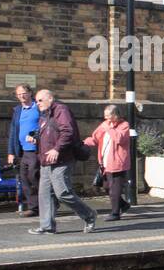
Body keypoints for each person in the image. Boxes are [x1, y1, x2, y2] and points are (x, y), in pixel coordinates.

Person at [30, 89, 97, 235]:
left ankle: (89, 215)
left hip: (62, 159)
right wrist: (36, 138)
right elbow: (48, 134)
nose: (37, 103)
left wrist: (56, 149)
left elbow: (68, 132)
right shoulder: (44, 116)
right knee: (45, 194)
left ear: (50, 99)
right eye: (36, 101)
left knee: (62, 193)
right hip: (46, 161)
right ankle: (47, 226)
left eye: (40, 100)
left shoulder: (61, 110)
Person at [83, 105, 133, 221]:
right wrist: (84, 142)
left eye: (108, 115)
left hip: (117, 163)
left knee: (114, 189)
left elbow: (119, 139)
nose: (105, 117)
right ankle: (123, 205)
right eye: (105, 115)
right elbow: (95, 138)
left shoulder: (124, 125)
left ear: (115, 115)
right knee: (106, 187)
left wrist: (109, 128)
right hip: (105, 162)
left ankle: (115, 213)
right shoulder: (105, 125)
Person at [7, 83, 41, 216]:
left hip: (36, 149)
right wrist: (11, 152)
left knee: (34, 175)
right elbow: (13, 132)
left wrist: (35, 135)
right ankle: (34, 208)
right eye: (19, 94)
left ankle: (50, 202)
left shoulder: (38, 107)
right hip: (24, 150)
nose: (21, 95)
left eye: (24, 93)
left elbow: (45, 124)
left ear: (30, 93)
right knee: (24, 178)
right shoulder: (18, 110)